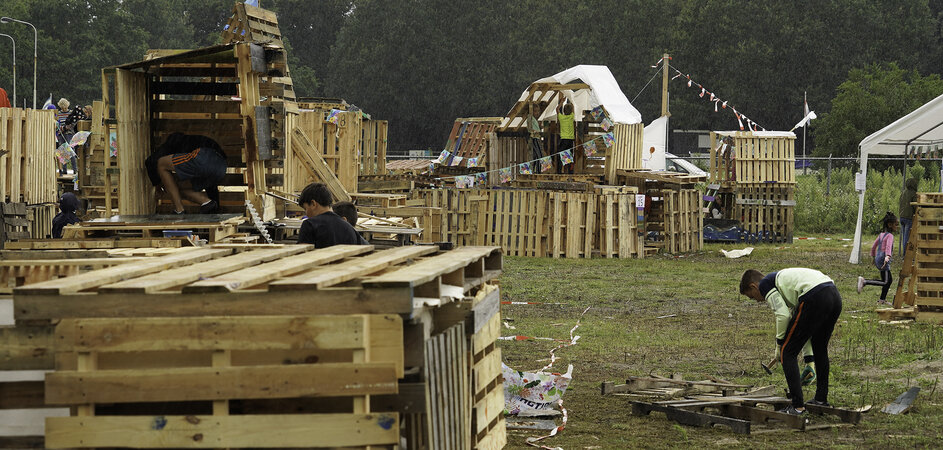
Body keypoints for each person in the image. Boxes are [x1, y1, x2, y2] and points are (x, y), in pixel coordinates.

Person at [740, 268, 842, 415]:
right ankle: (821, 400)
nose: (756, 300)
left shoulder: (765, 284)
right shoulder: (786, 284)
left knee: (787, 353)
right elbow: (802, 327)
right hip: (833, 295)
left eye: (752, 297)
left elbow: (782, 315)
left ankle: (797, 407)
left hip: (814, 296)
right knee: (820, 348)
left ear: (753, 286)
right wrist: (809, 360)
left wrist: (779, 345)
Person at [144, 133, 225, 214]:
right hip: (221, 168)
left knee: (161, 163)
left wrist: (157, 184)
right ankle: (206, 202)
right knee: (174, 187)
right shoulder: (192, 141)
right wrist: (215, 206)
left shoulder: (173, 143)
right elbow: (211, 184)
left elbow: (151, 161)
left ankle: (179, 210)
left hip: (206, 156)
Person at [297, 183, 365, 248]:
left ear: (313, 204)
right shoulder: (349, 228)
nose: (306, 213)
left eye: (305, 208)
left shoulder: (309, 225)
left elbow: (302, 255)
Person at [858, 212, 898, 304]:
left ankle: (882, 300)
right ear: (890, 225)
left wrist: (873, 258)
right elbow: (888, 247)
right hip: (884, 260)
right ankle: (865, 282)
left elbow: (873, 247)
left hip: (878, 259)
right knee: (886, 281)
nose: (897, 227)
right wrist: (888, 256)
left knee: (887, 280)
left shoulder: (881, 235)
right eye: (896, 225)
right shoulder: (890, 236)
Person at [899, 178, 918, 255]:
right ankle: (905, 255)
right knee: (907, 238)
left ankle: (904, 254)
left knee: (904, 237)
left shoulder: (903, 192)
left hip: (901, 216)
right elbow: (915, 206)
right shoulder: (913, 193)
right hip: (908, 217)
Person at [556, 101, 575, 174]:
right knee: (569, 156)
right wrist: (571, 99)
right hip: (570, 140)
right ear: (571, 111)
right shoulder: (571, 117)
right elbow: (573, 107)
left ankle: (559, 171)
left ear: (563, 111)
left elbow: (557, 109)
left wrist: (561, 102)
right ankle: (570, 171)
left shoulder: (561, 118)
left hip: (563, 140)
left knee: (561, 155)